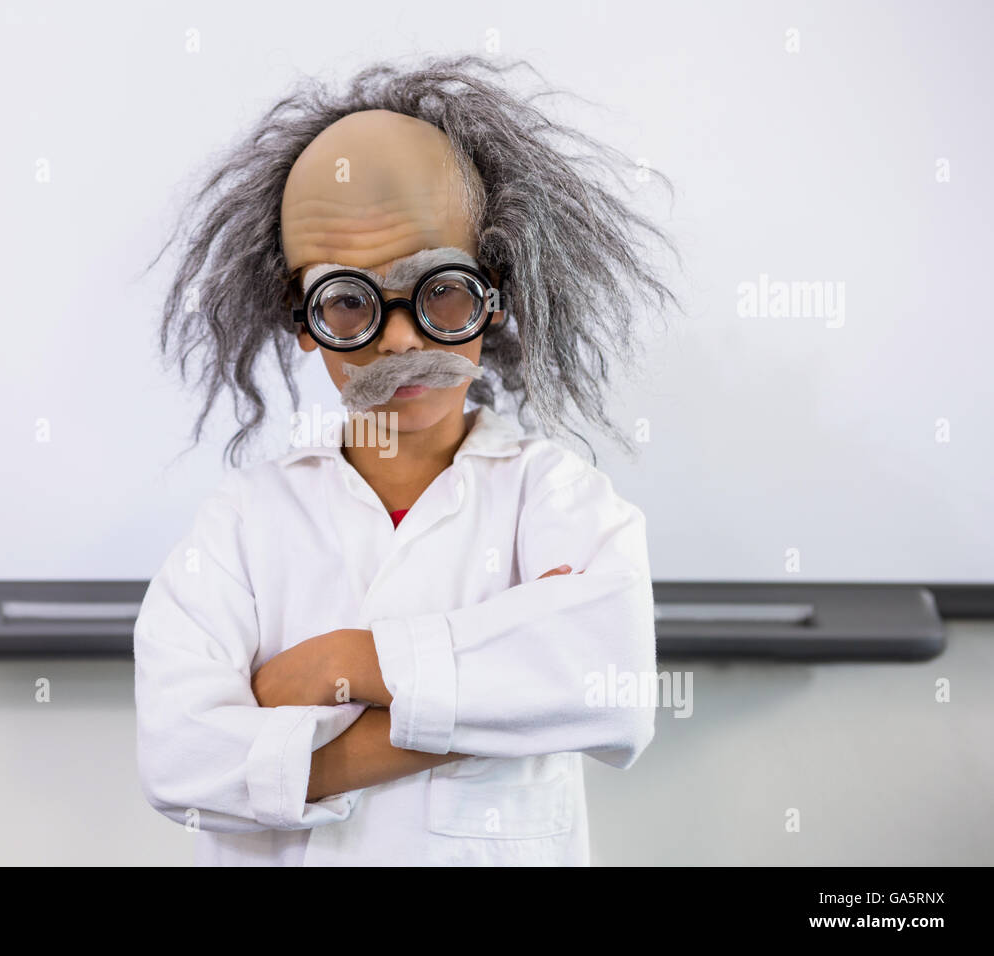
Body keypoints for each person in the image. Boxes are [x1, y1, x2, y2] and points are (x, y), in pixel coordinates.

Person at [133, 55, 679, 865]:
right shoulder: (245, 523)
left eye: (439, 289)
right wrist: (498, 698)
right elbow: (180, 763)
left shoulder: (553, 497)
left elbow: (612, 686)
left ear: (496, 290)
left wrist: (340, 664)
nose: (401, 338)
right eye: (349, 300)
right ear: (300, 319)